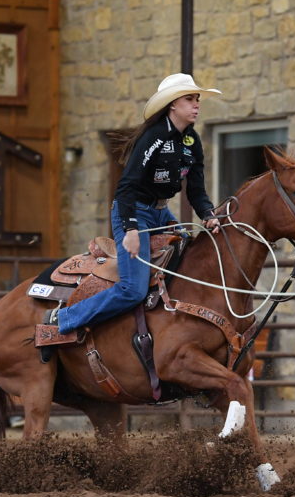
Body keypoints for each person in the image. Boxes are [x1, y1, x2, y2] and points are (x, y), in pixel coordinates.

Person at [52, 73, 223, 334]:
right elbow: (127, 187)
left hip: (161, 213)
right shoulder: (152, 137)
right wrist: (131, 230)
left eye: (197, 99)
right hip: (133, 212)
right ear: (173, 104)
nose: (196, 104)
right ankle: (65, 319)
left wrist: (208, 214)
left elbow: (196, 189)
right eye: (190, 99)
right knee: (133, 289)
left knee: (189, 264)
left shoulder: (192, 140)